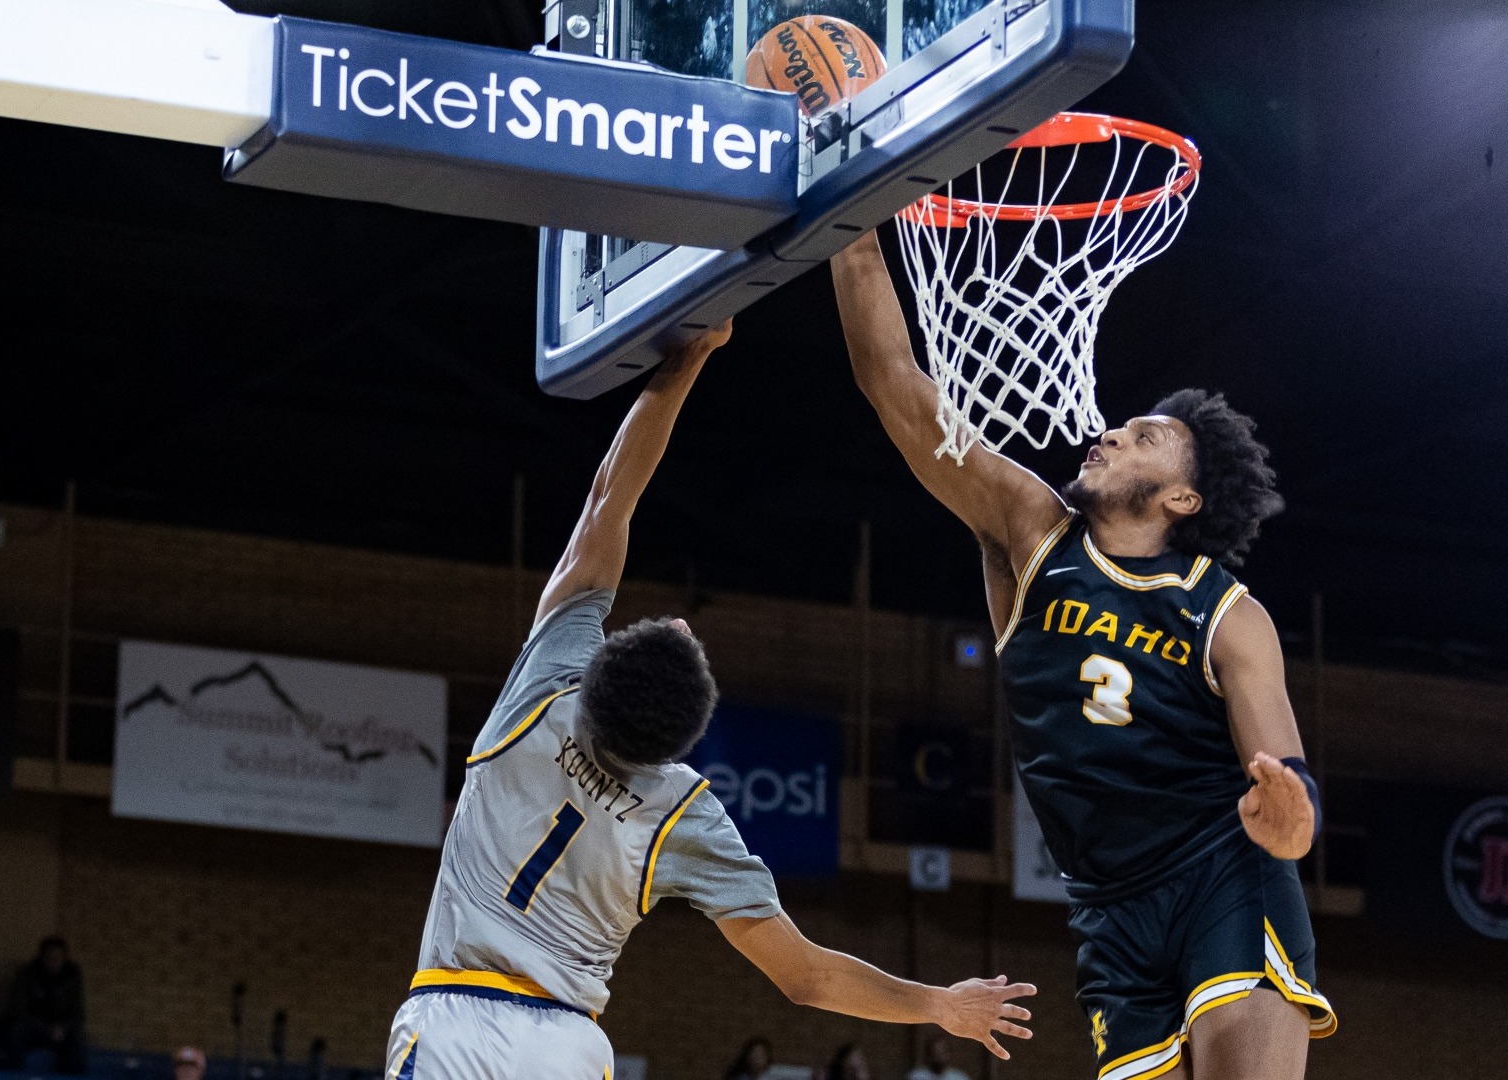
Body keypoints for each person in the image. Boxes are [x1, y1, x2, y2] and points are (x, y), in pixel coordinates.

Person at [383, 323, 1037, 1080]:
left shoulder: (544, 690)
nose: (681, 620)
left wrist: (684, 363)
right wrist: (938, 1006)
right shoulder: (681, 807)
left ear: (598, 670)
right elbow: (805, 976)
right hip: (564, 1047)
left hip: (452, 1015)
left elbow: (607, 503)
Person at [832, 233, 1336, 1080]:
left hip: (1220, 873)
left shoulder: (1225, 613)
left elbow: (1283, 774)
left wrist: (1291, 822)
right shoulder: (1029, 536)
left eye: (1142, 438)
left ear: (1181, 497)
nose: (1109, 434)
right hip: (1106, 909)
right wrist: (848, 227)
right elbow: (894, 385)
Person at [0, 936, 86, 1075]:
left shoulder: (72, 976)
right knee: (15, 1031)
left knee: (78, 1039)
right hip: (33, 1029)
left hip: (60, 1032)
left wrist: (63, 1028)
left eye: (58, 957)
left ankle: (71, 1075)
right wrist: (46, 1029)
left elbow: (78, 1012)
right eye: (50, 957)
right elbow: (18, 1009)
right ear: (42, 957)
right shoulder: (28, 973)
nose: (54, 962)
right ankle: (13, 1072)